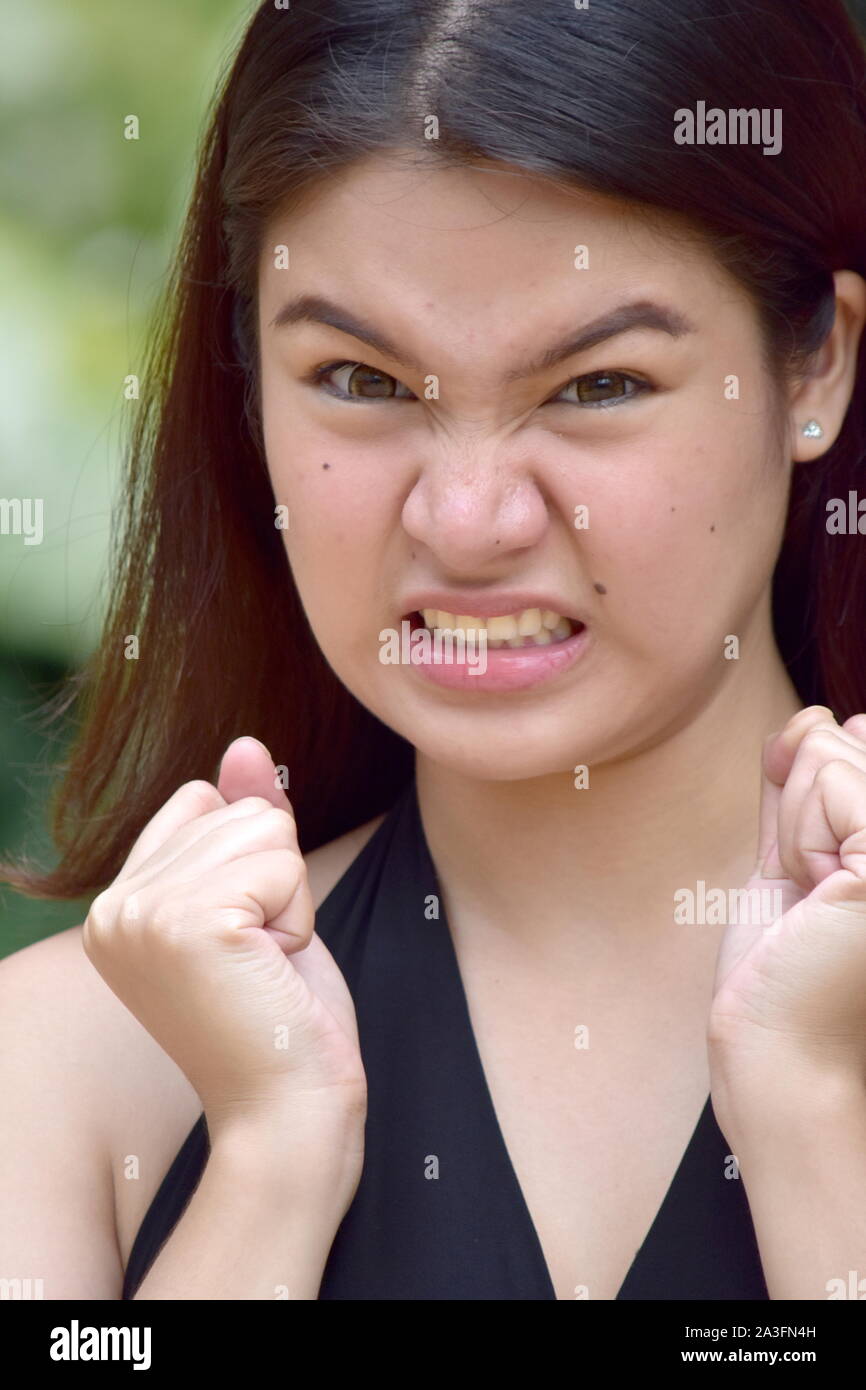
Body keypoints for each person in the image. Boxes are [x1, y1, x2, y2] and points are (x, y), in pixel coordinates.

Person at [2, 0, 866, 1302]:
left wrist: (806, 1119)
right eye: (361, 379)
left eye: (598, 385)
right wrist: (270, 1164)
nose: (466, 522)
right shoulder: (73, 1070)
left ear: (815, 367)